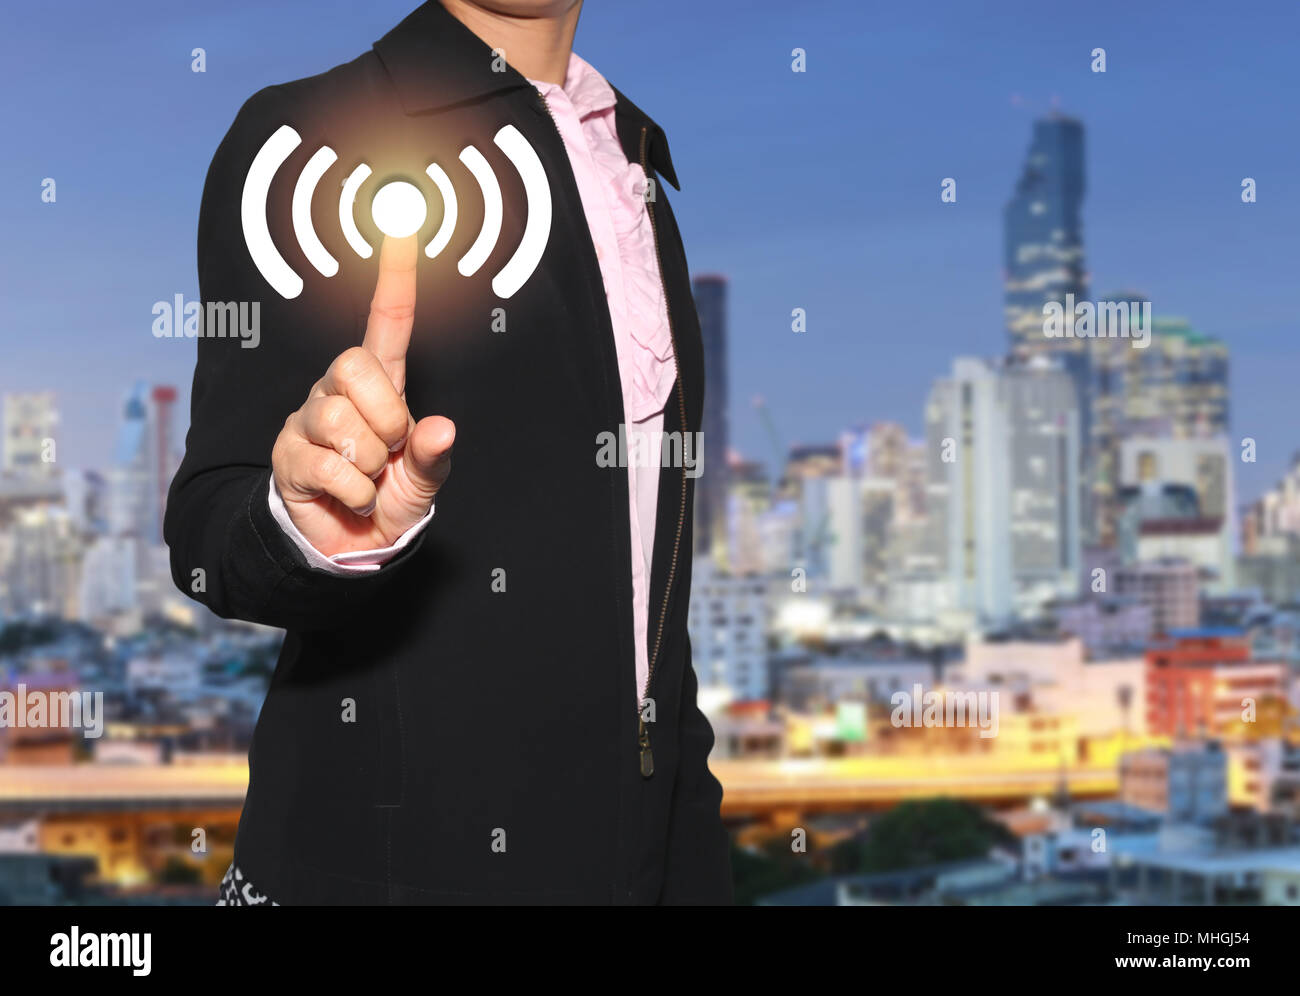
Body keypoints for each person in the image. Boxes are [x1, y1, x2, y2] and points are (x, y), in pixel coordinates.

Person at [168, 0, 732, 904]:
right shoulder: (311, 138)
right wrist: (308, 529)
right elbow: (206, 534)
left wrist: (692, 859)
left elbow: (650, 601)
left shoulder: (629, 159)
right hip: (380, 870)